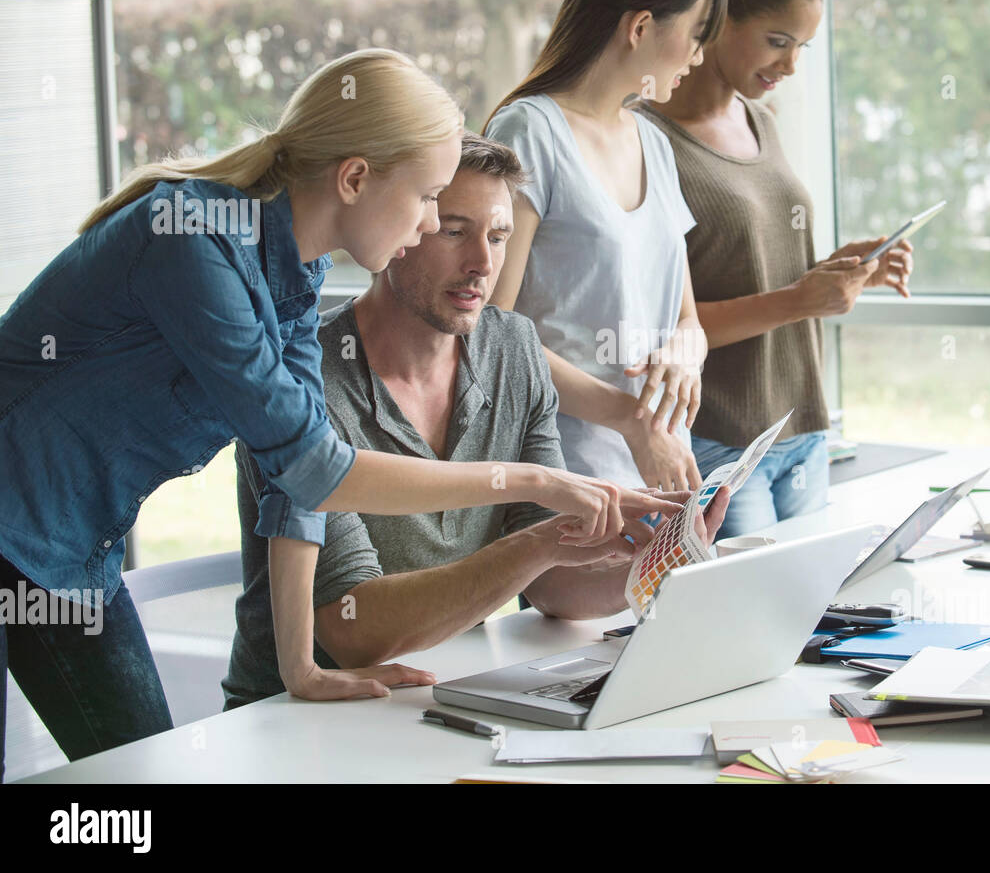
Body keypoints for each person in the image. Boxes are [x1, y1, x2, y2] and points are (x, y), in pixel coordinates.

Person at [0, 48, 677, 777]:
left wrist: (301, 667)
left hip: (70, 554)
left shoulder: (296, 267)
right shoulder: (191, 242)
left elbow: (298, 471)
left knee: (135, 794)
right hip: (19, 532)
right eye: (426, 199)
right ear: (355, 178)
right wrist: (531, 483)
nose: (423, 227)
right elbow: (319, 469)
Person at [222, 133, 729, 707]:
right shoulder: (302, 378)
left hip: (440, 696)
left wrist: (653, 563)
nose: (482, 265)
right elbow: (353, 631)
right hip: (292, 720)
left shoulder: (514, 349)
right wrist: (540, 545)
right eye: (455, 232)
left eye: (498, 236)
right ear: (399, 226)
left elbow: (552, 584)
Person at [640, 0, 915, 538]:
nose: (790, 64)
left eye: (803, 47)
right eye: (777, 41)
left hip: (801, 429)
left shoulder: (760, 117)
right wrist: (800, 300)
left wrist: (839, 272)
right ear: (716, 18)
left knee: (812, 626)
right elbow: (665, 326)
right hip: (719, 438)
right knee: (753, 623)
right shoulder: (644, 138)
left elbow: (748, 262)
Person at [483, 0, 728, 494]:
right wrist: (630, 419)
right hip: (569, 479)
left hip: (664, 468)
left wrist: (684, 356)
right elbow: (495, 329)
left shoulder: (655, 143)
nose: (698, 56)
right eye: (696, 35)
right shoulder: (529, 130)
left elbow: (689, 319)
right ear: (641, 27)